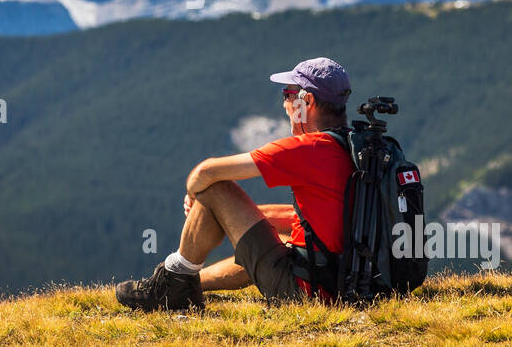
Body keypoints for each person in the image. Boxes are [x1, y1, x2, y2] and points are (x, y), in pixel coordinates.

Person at [115, 57, 354, 311]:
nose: (284, 103)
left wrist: (198, 197)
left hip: (305, 293)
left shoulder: (309, 149)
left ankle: (172, 282)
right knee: (283, 240)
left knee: (217, 188)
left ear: (307, 102)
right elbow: (309, 220)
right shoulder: (352, 147)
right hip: (340, 282)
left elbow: (206, 173)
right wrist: (233, 216)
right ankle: (189, 283)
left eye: (288, 94)